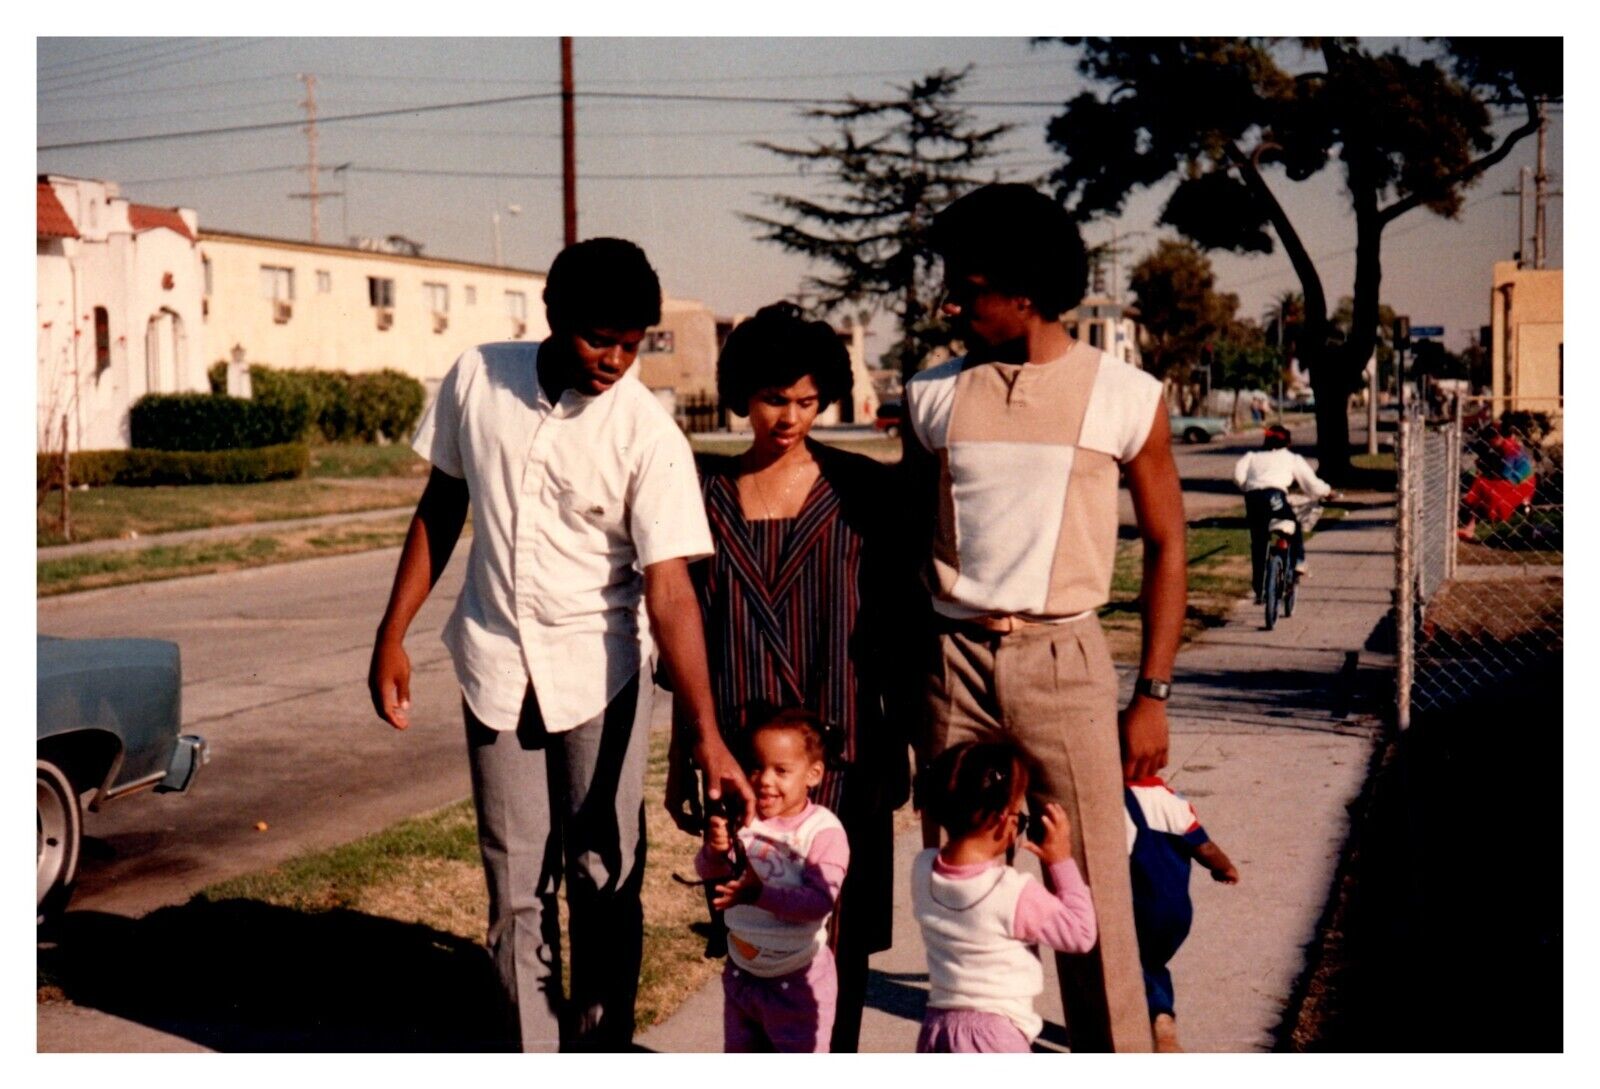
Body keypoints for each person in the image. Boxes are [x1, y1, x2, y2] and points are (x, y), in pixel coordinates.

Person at [367, 237, 754, 1052]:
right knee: (514, 883)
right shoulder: (478, 376)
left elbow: (671, 588)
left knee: (603, 877)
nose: (615, 360)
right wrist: (392, 631)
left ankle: (601, 1048)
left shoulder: (649, 434)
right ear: (552, 316)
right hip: (494, 663)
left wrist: (706, 729)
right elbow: (442, 506)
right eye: (598, 339)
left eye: (633, 343)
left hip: (599, 675)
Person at [901, 183, 1186, 1052]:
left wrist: (1153, 693)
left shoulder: (1126, 396)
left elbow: (1169, 547)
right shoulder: (933, 396)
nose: (950, 300)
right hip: (954, 660)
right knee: (962, 880)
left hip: (1065, 660)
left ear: (1024, 291)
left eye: (968, 283)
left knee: (1093, 880)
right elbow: (906, 538)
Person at [665, 301, 921, 1051]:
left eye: (809, 401)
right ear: (743, 392)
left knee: (837, 950)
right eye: (776, 398)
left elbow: (898, 629)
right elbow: (688, 640)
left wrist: (901, 747)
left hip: (843, 754)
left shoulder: (862, 492)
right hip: (746, 767)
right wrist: (690, 749)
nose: (791, 417)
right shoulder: (700, 497)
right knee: (753, 941)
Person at [911, 740, 1099, 1052]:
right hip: (995, 1035)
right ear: (1001, 822)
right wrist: (1061, 861)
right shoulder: (1012, 891)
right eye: (1018, 817)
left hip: (938, 1028)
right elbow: (1080, 934)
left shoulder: (922, 868)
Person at [696, 708, 849, 1052]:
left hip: (797, 981)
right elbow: (711, 874)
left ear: (813, 774)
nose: (765, 779)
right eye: (756, 767)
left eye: (781, 770)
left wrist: (760, 894)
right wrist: (716, 852)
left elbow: (819, 902)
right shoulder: (745, 819)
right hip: (742, 975)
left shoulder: (822, 831)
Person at [1124, 777, 1239, 1053]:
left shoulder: (1116, 804)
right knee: (1153, 964)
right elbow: (1205, 847)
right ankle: (1160, 1018)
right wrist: (1224, 868)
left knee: (1137, 966)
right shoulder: (1174, 801)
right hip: (1177, 912)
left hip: (1140, 907)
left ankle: (1160, 1020)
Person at [1233, 423, 1331, 597]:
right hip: (1275, 497)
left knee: (1258, 540)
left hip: (1253, 499)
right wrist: (1327, 492)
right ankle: (1298, 562)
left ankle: (1259, 586)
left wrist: (1247, 486)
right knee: (1293, 524)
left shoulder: (1251, 456)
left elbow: (1238, 476)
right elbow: (1311, 484)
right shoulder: (1291, 458)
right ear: (1288, 443)